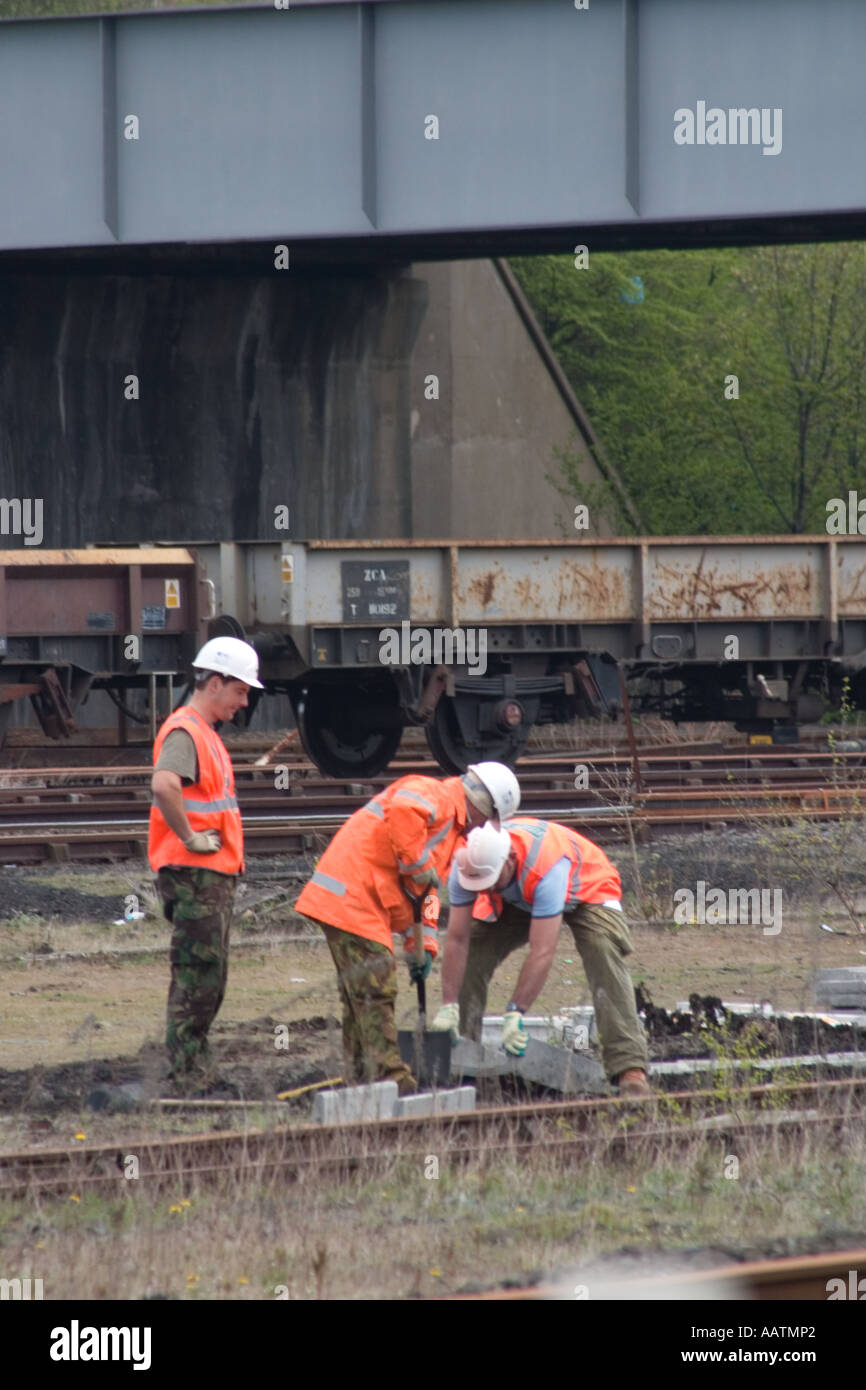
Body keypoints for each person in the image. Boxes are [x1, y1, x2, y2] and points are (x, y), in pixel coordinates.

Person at [295, 763, 520, 1094]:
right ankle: (390, 1078)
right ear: (481, 803)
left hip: (364, 904)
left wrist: (423, 947)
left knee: (360, 994)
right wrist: (418, 864)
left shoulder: (453, 834)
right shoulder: (438, 796)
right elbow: (403, 811)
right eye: (488, 818)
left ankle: (362, 1078)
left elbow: (427, 896)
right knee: (375, 987)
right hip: (351, 896)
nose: (484, 826)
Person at [429, 816, 651, 1097]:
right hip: (520, 896)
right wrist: (449, 1003)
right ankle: (462, 1059)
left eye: (491, 881)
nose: (485, 889)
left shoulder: (547, 868)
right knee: (474, 949)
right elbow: (457, 939)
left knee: (602, 949)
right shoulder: (470, 866)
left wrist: (515, 1012)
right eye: (479, 884)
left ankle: (629, 1068)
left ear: (509, 860)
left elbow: (542, 949)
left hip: (586, 887)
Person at [148, 636, 263, 1087]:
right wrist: (191, 838)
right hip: (196, 875)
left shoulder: (204, 733)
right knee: (198, 978)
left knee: (208, 977)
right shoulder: (187, 731)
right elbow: (164, 785)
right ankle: (189, 1074)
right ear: (214, 682)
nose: (244, 701)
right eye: (240, 690)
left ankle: (195, 1068)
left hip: (211, 876)